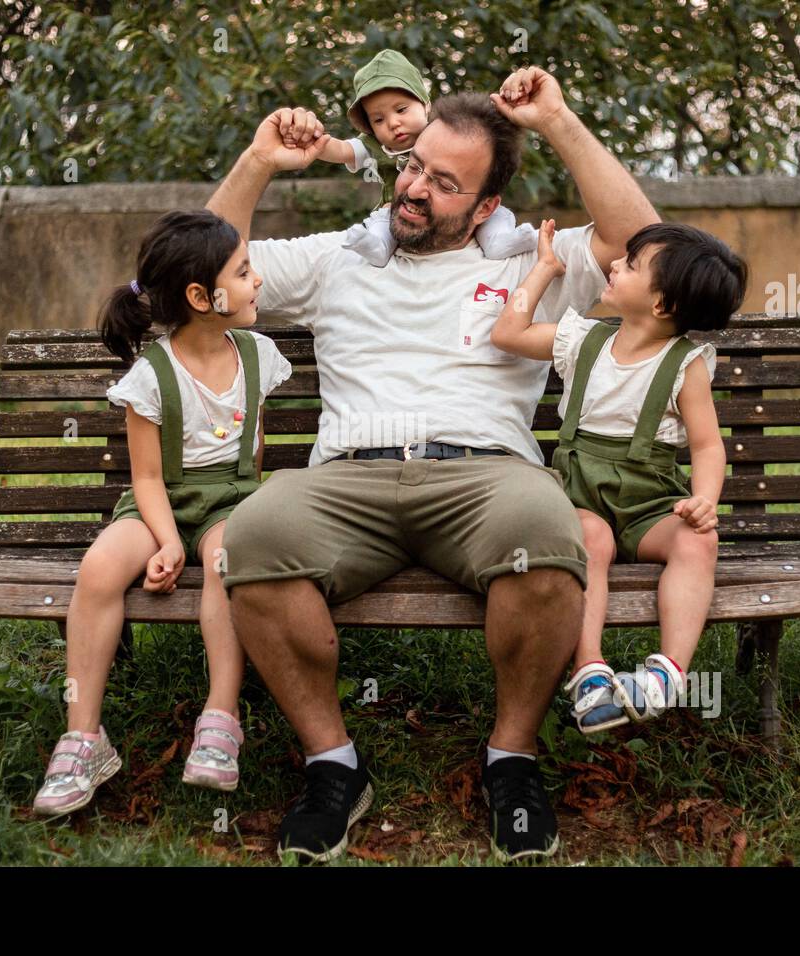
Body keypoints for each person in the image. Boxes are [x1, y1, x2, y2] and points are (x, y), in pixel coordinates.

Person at [205, 66, 661, 862]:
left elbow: (643, 244)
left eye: (444, 184)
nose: (413, 188)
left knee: (548, 538)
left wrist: (557, 121)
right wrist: (256, 163)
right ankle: (333, 766)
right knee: (253, 539)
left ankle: (511, 759)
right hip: (350, 476)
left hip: (486, 478)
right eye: (414, 165)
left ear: (487, 206)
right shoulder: (339, 258)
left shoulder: (532, 262)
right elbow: (200, 268)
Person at [32, 209, 291, 817]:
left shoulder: (259, 356)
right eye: (245, 272)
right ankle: (83, 738)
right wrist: (168, 542)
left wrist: (224, 520)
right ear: (201, 296)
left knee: (228, 559)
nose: (258, 283)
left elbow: (254, 453)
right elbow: (146, 477)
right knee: (99, 568)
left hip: (233, 499)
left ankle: (220, 719)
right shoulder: (152, 374)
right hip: (160, 500)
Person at [492, 218, 747, 734]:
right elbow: (507, 332)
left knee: (699, 543)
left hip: (650, 504)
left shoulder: (685, 365)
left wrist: (704, 500)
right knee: (591, 539)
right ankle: (590, 672)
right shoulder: (581, 340)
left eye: (630, 264)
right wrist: (545, 268)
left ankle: (667, 675)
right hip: (579, 494)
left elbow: (706, 445)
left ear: (661, 305)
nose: (613, 263)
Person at [311, 48, 536, 266]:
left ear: (425, 105)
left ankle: (500, 242)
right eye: (378, 120)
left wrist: (515, 95)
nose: (393, 123)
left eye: (401, 110)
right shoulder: (376, 146)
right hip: (396, 212)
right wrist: (314, 142)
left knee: (495, 215)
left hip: (465, 214)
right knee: (381, 220)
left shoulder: (444, 132)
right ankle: (378, 247)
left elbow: (484, 134)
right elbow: (341, 150)